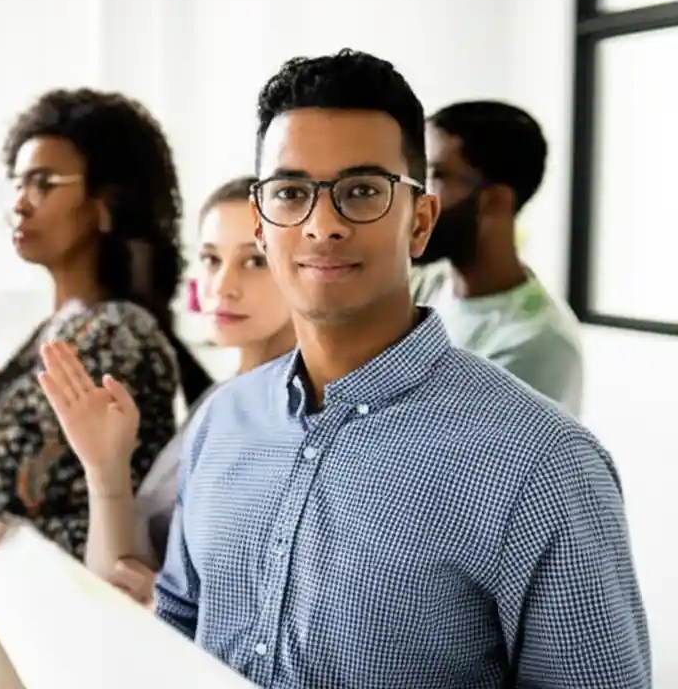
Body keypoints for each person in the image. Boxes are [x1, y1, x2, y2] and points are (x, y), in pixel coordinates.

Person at [58, 51, 650, 686]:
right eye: (290, 194)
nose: (322, 225)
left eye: (362, 192)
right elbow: (177, 632)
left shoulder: (543, 464)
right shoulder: (223, 423)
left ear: (419, 221)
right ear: (261, 224)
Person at [0, 88, 211, 688]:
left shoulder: (113, 335)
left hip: (59, 639)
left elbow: (118, 522)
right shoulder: (61, 327)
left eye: (44, 183)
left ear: (105, 203)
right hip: (12, 625)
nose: (20, 205)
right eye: (17, 184)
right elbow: (15, 483)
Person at [37, 175, 296, 604]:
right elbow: (115, 581)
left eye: (255, 262)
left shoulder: (299, 421)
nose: (222, 286)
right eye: (211, 260)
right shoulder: (218, 403)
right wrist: (106, 469)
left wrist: (168, 606)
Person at [413, 100, 583, 415]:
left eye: (436, 177)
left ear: (494, 200)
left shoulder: (537, 343)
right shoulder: (424, 287)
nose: (417, 200)